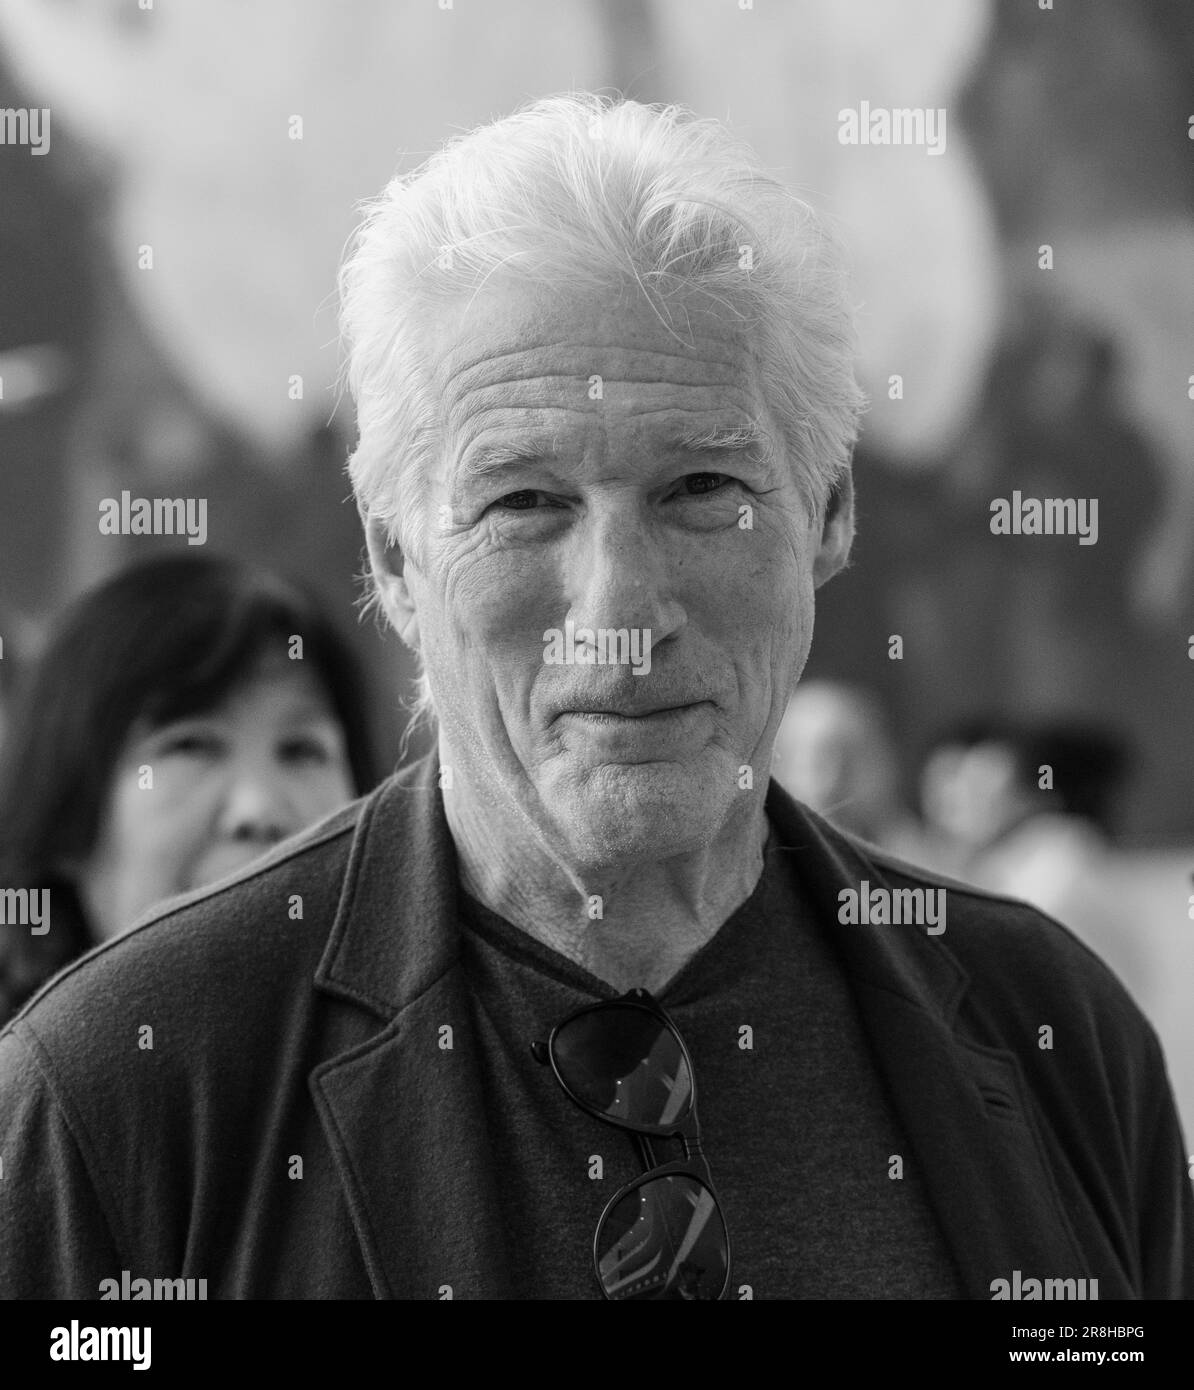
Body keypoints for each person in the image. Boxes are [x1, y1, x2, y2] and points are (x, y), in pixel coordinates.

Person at [0, 95, 1190, 1301]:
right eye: (524, 503)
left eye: (702, 486)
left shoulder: (1058, 1036)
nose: (619, 609)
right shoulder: (122, 1093)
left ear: (829, 514)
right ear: (398, 560)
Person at [0, 553, 380, 1025]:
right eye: (192, 745)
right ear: (66, 817)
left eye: (302, 750)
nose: (258, 812)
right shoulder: (22, 1089)